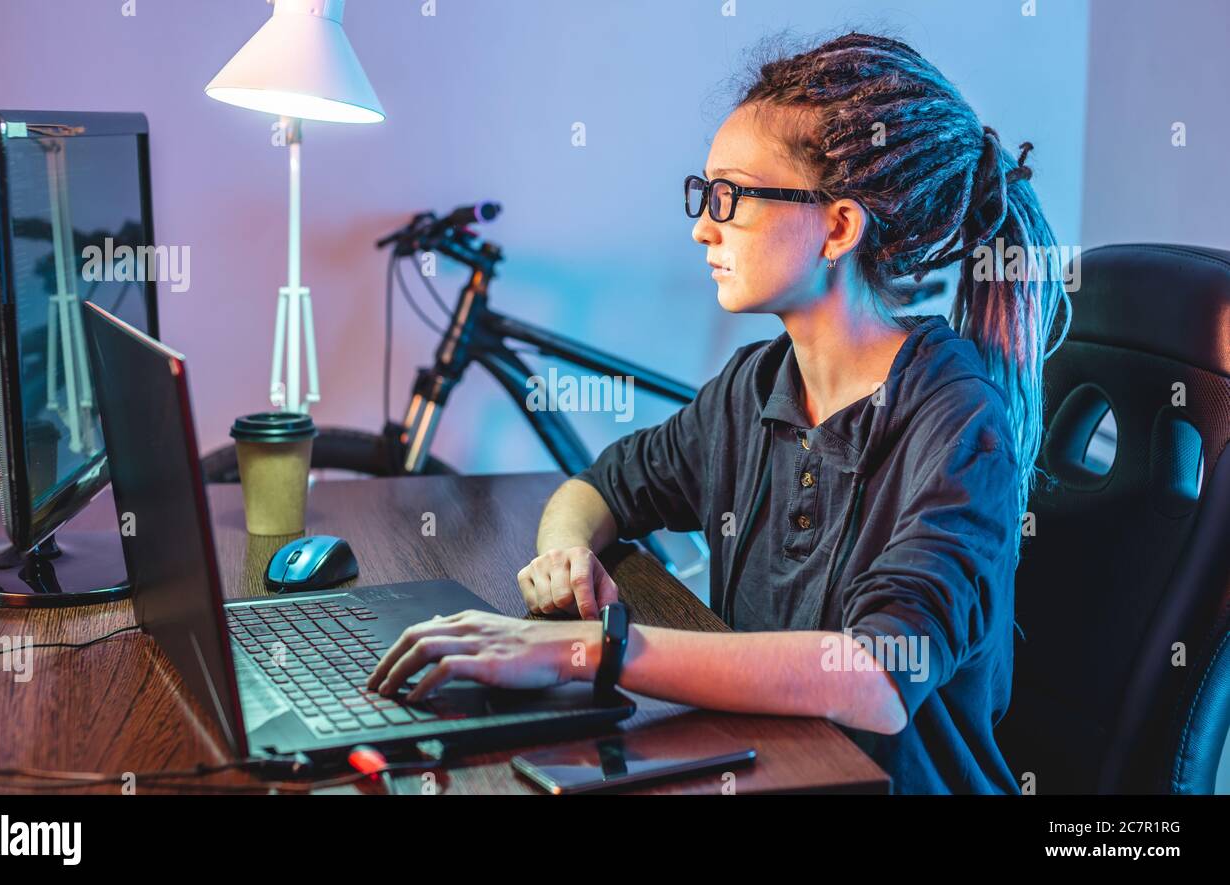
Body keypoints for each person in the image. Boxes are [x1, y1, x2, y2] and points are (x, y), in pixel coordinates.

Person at [367, 31, 1071, 794]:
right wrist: (566, 553)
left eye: (730, 197)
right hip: (771, 769)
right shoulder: (756, 385)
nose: (703, 226)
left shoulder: (958, 422)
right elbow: (601, 485)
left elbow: (873, 676)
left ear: (838, 227)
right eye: (702, 195)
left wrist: (590, 649)